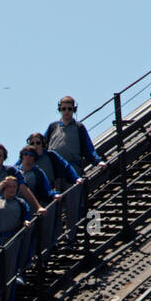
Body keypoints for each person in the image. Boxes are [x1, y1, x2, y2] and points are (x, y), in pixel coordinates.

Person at [45, 96, 101, 242]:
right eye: (64, 108)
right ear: (60, 109)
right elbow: (42, 148)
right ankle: (56, 239)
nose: (67, 111)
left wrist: (98, 161)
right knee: (55, 207)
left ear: (74, 109)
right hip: (55, 171)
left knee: (72, 207)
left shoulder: (78, 127)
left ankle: (70, 238)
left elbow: (88, 149)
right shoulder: (53, 127)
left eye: (70, 108)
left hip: (73, 171)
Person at [27, 131, 82, 247]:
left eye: (38, 142)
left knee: (51, 223)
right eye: (32, 143)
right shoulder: (28, 156)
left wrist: (76, 178)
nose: (35, 145)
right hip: (34, 195)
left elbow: (65, 165)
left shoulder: (50, 155)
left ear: (43, 143)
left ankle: (52, 246)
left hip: (49, 192)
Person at [0, 176, 32, 301]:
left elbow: (25, 215)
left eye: (14, 187)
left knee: (10, 269)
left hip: (12, 238)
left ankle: (7, 300)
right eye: (9, 186)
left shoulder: (20, 202)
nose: (11, 189)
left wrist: (25, 221)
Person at [16, 144, 58, 259]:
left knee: (30, 237)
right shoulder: (14, 171)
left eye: (31, 155)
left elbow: (47, 190)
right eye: (25, 155)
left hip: (31, 208)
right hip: (15, 208)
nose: (28, 157)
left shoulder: (38, 173)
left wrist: (55, 195)